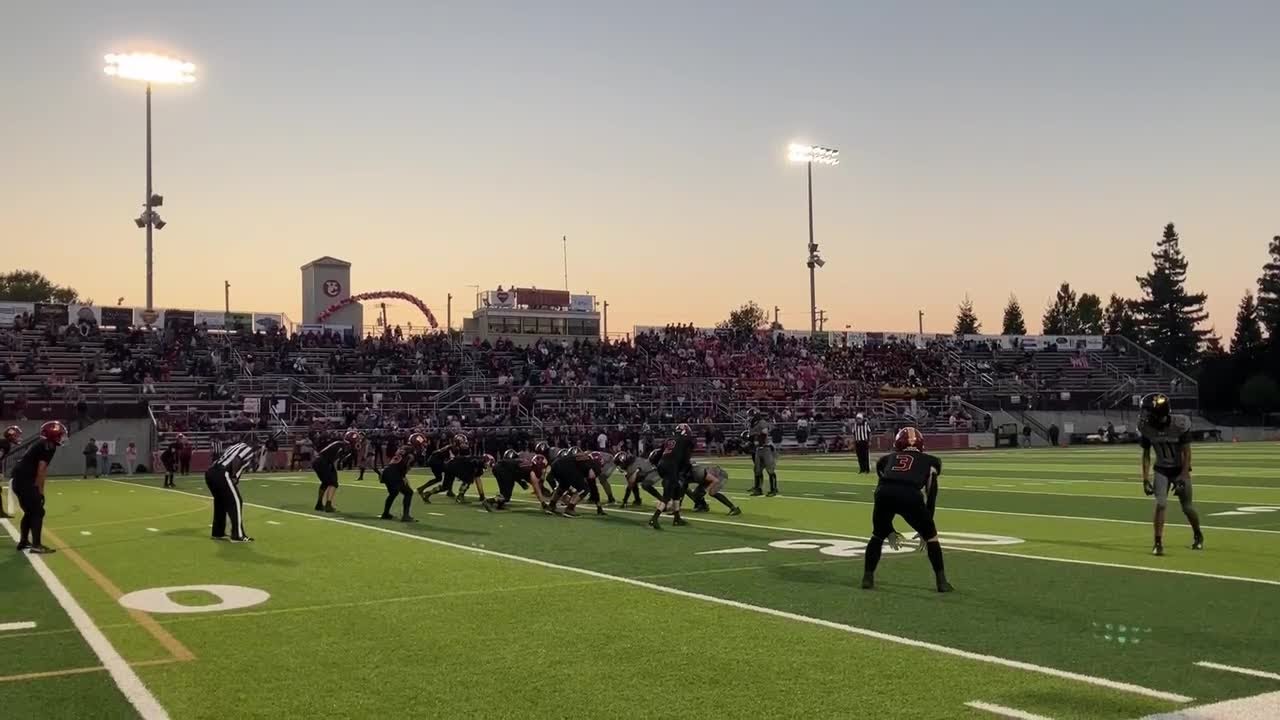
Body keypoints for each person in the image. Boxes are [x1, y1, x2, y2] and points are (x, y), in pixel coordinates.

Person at [860, 427, 953, 593]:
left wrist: (887, 528)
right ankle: (942, 582)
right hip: (910, 495)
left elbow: (884, 482)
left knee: (877, 535)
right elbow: (931, 493)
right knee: (932, 538)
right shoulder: (931, 461)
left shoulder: (886, 459)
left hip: (883, 494)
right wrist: (927, 527)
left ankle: (867, 577)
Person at [1138, 393, 1203, 556]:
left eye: (1147, 411)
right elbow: (1146, 454)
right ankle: (1158, 542)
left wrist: (1183, 475)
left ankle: (1198, 534)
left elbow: (1187, 454)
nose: (1144, 415)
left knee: (1187, 507)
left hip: (1179, 469)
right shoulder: (1146, 427)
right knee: (1160, 504)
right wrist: (1145, 479)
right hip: (1161, 469)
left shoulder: (1179, 424)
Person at [12, 421, 67, 553]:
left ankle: (24, 541)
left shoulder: (42, 443)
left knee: (30, 512)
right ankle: (36, 545)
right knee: (38, 511)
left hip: (19, 481)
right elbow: (41, 470)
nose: (62, 437)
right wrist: (40, 491)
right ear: (54, 435)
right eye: (60, 435)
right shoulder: (49, 445)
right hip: (26, 481)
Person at [204, 440, 257, 542]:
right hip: (222, 473)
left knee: (221, 503)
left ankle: (218, 532)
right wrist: (233, 476)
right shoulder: (247, 449)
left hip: (210, 472)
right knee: (236, 502)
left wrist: (235, 477)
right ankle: (237, 534)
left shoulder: (233, 447)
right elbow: (237, 460)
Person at [649, 423, 694, 530]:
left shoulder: (669, 439)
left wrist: (656, 465)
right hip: (671, 467)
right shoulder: (686, 441)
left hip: (662, 465)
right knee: (667, 495)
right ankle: (654, 518)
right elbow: (686, 460)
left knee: (676, 490)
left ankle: (677, 518)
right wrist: (684, 471)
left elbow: (657, 454)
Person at [379, 433, 427, 522]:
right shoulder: (412, 451)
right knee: (408, 492)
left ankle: (385, 513)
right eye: (422, 443)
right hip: (395, 473)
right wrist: (403, 476)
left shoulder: (403, 448)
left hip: (387, 471)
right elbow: (406, 463)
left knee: (393, 493)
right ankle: (406, 516)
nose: (423, 445)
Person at [313, 430, 361, 513]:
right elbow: (339, 459)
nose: (357, 442)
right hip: (324, 462)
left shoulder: (340, 444)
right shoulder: (342, 445)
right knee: (333, 483)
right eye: (356, 440)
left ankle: (319, 504)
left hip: (319, 461)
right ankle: (328, 505)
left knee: (325, 483)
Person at [749, 414, 779, 496]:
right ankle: (758, 489)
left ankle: (773, 489)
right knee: (757, 470)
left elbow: (764, 432)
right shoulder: (753, 424)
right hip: (758, 449)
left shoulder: (762, 422)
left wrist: (758, 440)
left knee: (770, 469)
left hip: (766, 448)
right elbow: (752, 436)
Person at [0, 425, 20, 518]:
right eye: (16, 435)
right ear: (10, 436)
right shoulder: (5, 444)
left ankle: (0, 512)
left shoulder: (4, 443)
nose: (17, 437)